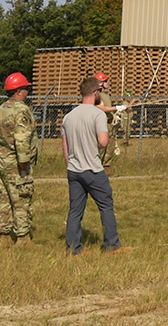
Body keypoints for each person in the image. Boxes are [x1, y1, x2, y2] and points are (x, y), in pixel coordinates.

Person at [62, 76, 124, 255]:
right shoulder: (98, 114)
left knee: (75, 210)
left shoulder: (68, 117)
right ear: (95, 93)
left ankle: (73, 248)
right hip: (93, 170)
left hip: (74, 170)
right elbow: (103, 142)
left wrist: (70, 166)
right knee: (105, 205)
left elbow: (65, 146)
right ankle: (112, 245)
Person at [0, 72, 39, 245]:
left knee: (4, 199)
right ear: (19, 91)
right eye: (26, 89)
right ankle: (23, 237)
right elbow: (21, 139)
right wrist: (24, 162)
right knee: (21, 198)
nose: (27, 92)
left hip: (1, 160)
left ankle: (3, 236)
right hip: (16, 164)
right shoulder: (22, 110)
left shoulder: (1, 109)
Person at [94, 72, 133, 167]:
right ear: (100, 83)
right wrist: (116, 108)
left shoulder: (105, 95)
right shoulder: (96, 95)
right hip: (101, 124)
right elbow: (102, 108)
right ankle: (96, 168)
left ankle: (106, 167)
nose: (108, 83)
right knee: (101, 148)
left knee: (110, 147)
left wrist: (115, 114)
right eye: (105, 81)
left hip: (109, 124)